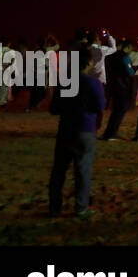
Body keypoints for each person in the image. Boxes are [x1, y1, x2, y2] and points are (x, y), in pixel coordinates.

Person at [49, 47, 106, 217]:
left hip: (65, 129)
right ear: (89, 63)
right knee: (82, 170)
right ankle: (81, 207)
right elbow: (100, 106)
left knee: (59, 170)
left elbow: (54, 108)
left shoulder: (65, 81)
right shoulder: (93, 83)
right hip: (85, 129)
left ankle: (54, 207)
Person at [100, 40, 136, 141]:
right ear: (128, 47)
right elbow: (130, 73)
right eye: (131, 49)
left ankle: (108, 132)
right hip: (123, 88)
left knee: (115, 112)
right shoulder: (124, 57)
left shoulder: (110, 57)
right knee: (119, 112)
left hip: (112, 86)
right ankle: (111, 133)